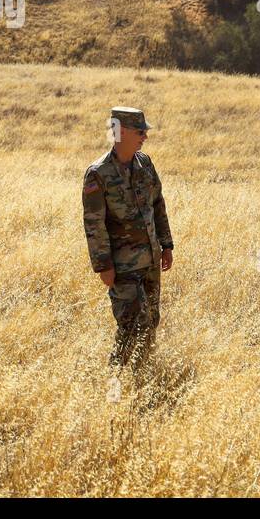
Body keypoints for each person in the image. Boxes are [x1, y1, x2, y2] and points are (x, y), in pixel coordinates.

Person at [82, 106, 174, 368]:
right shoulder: (98, 174)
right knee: (132, 326)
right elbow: (94, 224)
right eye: (140, 131)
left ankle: (141, 374)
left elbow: (158, 204)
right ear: (120, 132)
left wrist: (166, 245)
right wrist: (103, 266)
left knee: (151, 321)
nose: (145, 136)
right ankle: (117, 379)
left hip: (150, 261)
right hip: (122, 267)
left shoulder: (145, 164)